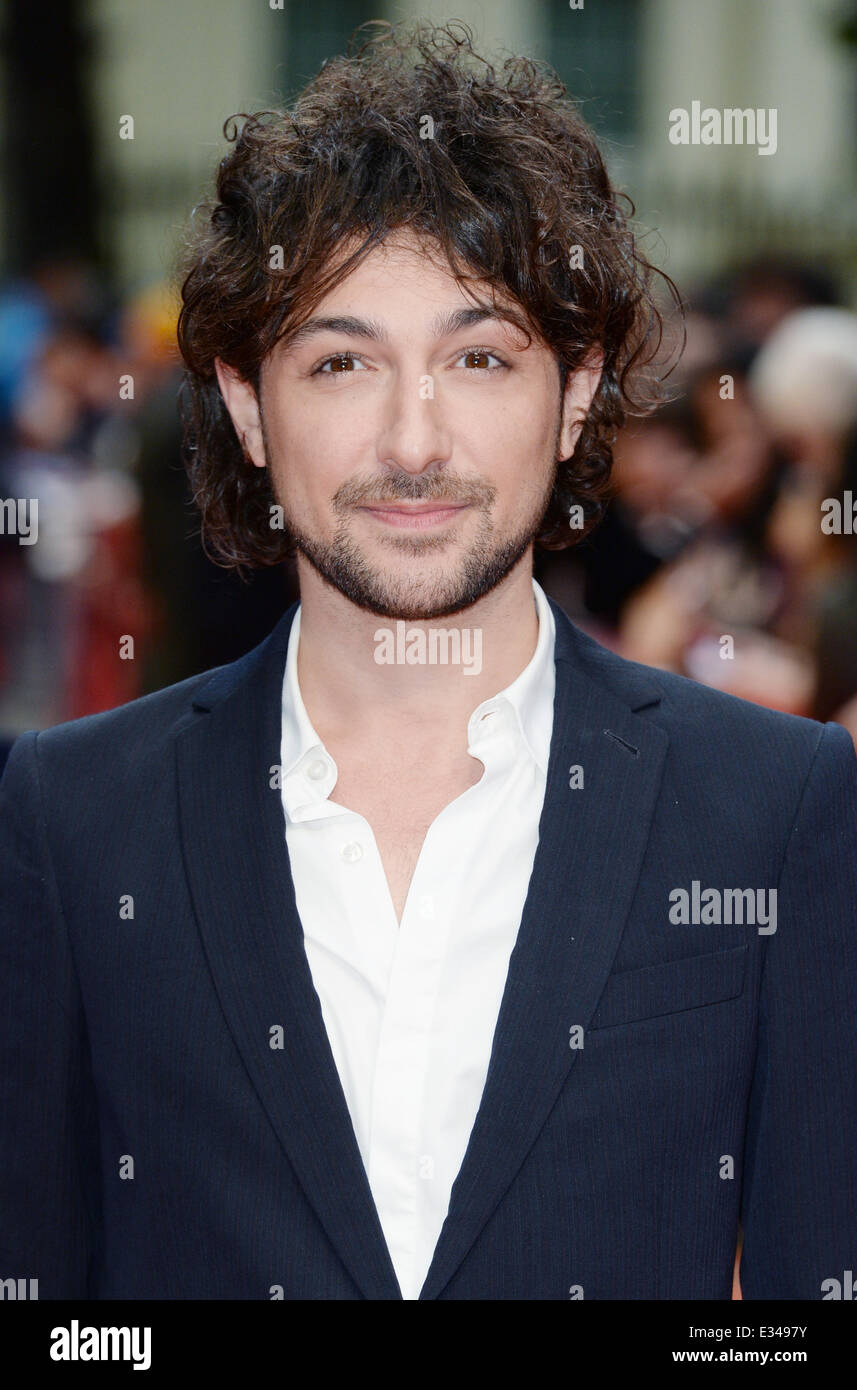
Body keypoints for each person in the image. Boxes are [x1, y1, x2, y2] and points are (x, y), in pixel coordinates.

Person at [1, 20, 855, 1302]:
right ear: (246, 404)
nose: (413, 441)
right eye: (342, 362)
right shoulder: (72, 816)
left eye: (479, 358)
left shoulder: (773, 805)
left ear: (573, 394)